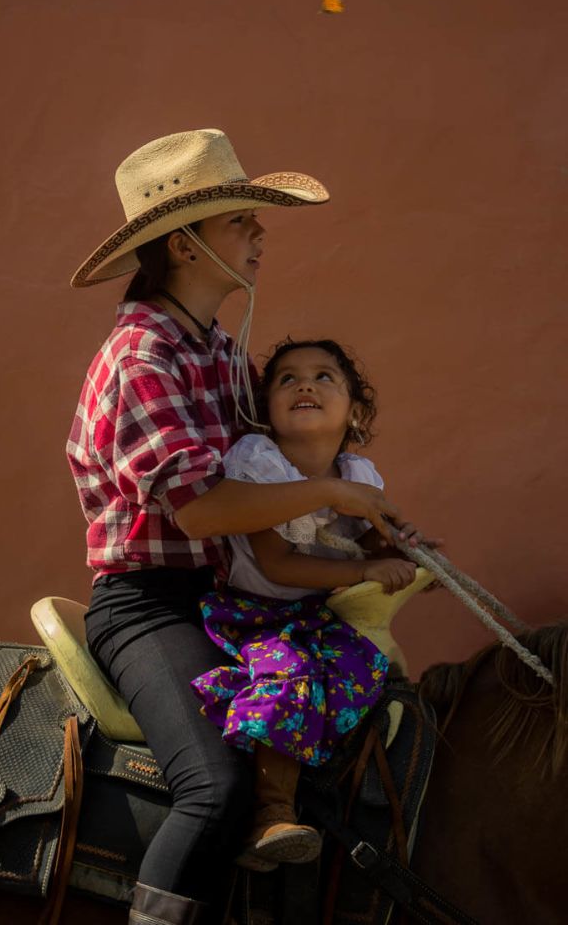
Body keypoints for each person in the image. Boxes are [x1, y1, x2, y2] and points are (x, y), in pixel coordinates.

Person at [67, 129, 405, 925]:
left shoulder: (220, 352)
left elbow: (275, 476)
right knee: (214, 785)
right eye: (239, 222)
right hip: (150, 603)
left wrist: (373, 523)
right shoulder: (138, 357)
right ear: (185, 245)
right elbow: (206, 508)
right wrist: (335, 492)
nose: (259, 234)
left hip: (240, 595)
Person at [191, 339, 437, 872]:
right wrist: (364, 571)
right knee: (292, 674)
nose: (306, 385)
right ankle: (270, 811)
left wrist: (402, 551)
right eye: (287, 379)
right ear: (267, 411)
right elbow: (277, 564)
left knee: (364, 671)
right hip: (253, 613)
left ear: (354, 411)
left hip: (312, 616)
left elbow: (366, 542)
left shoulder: (359, 476)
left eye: (325, 377)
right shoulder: (257, 466)